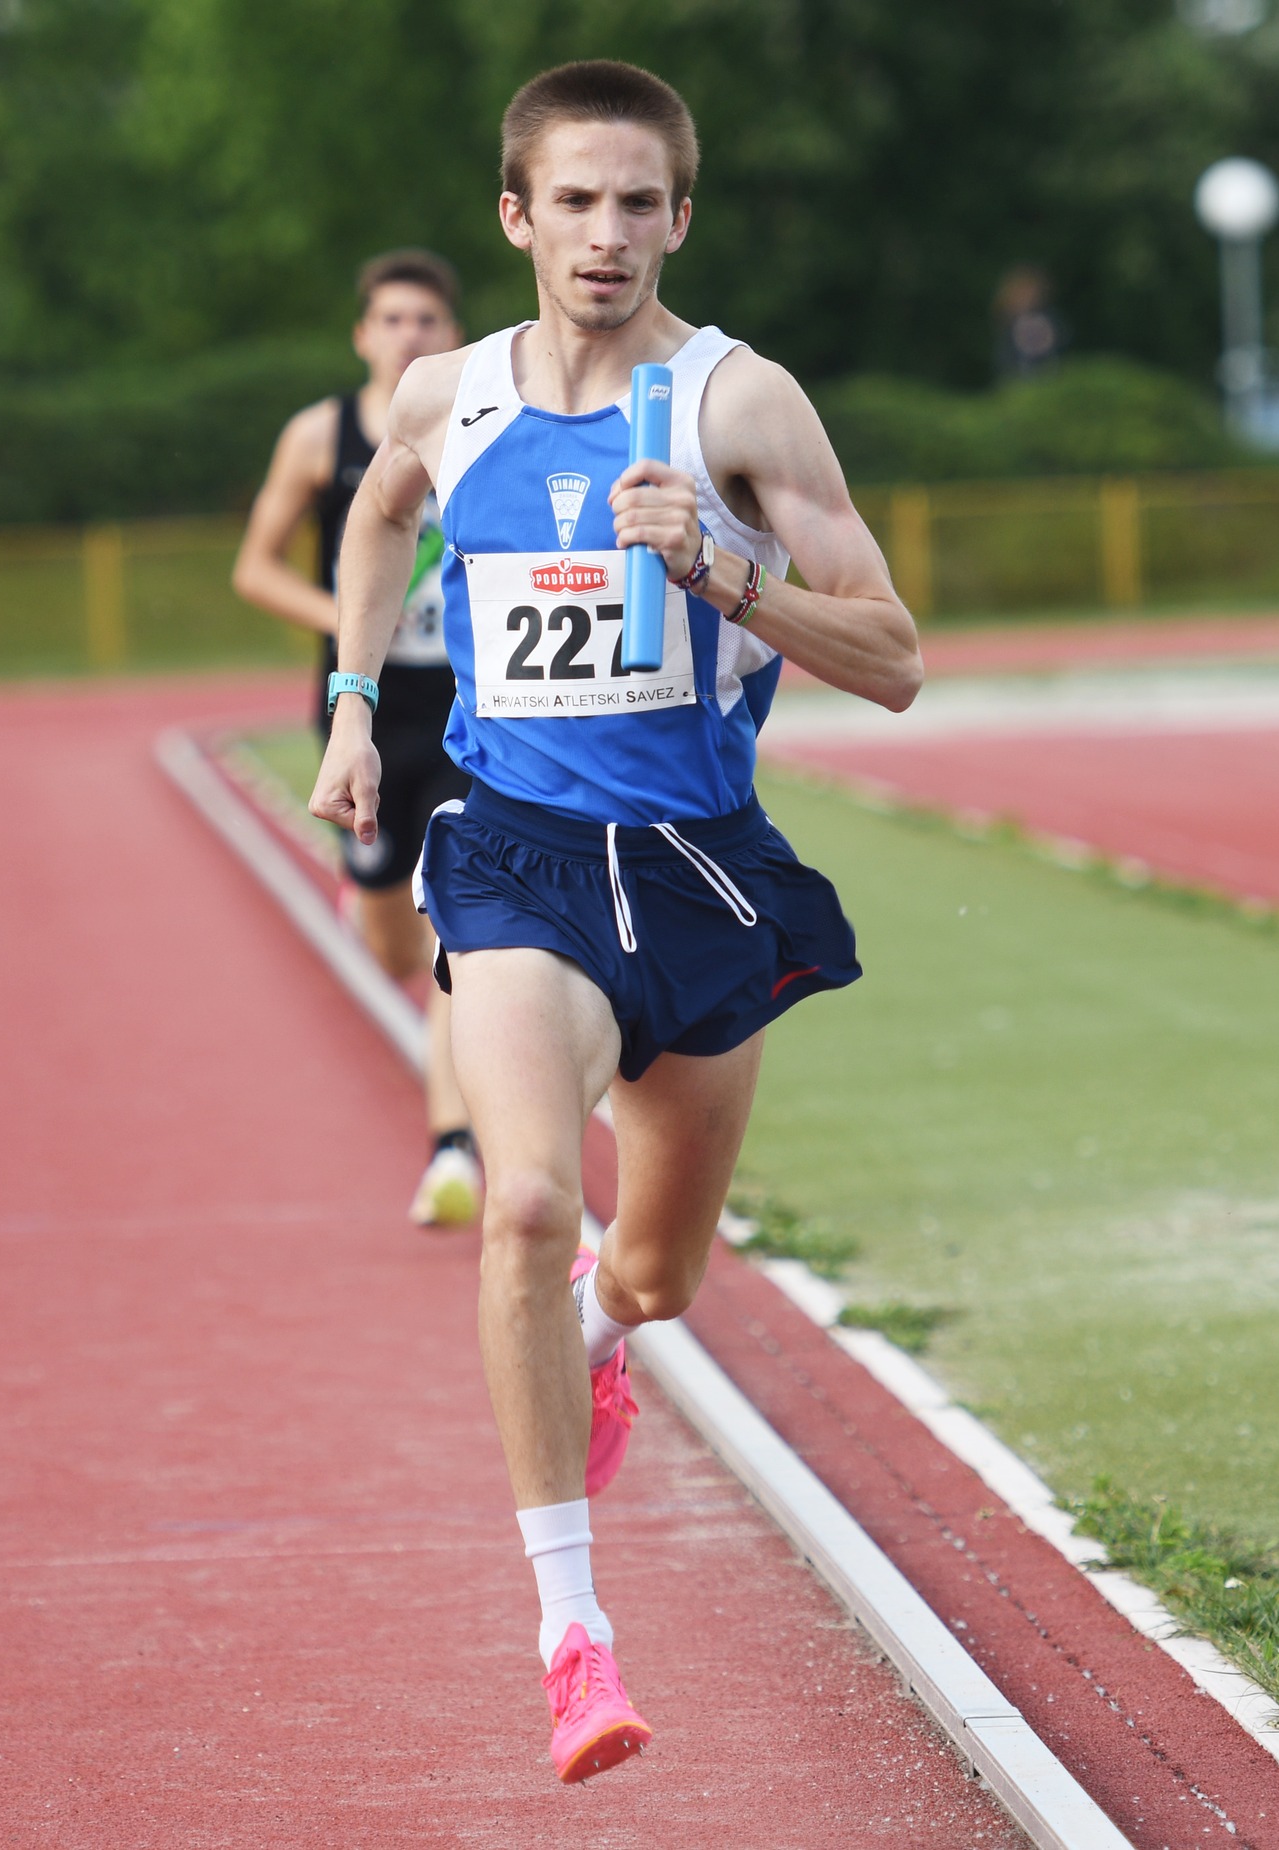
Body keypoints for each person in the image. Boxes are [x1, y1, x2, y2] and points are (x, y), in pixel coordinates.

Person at [309, 62, 922, 1782]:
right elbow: (372, 517)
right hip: (510, 854)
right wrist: (356, 705)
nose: (606, 233)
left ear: (678, 217)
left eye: (638, 202)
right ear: (516, 215)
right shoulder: (444, 399)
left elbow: (893, 658)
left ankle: (596, 1330)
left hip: (697, 873)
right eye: (573, 201)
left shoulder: (740, 408)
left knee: (649, 1275)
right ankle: (570, 1634)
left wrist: (725, 573)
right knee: (521, 1199)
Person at [233, 250, 481, 1226]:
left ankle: (452, 1143)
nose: (408, 335)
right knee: (393, 935)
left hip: (467, 713)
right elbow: (254, 566)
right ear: (361, 334)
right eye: (390, 319)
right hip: (361, 714)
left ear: (449, 332)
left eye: (426, 319)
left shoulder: (481, 425)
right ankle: (378, 900)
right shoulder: (317, 435)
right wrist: (346, 618)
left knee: (457, 928)